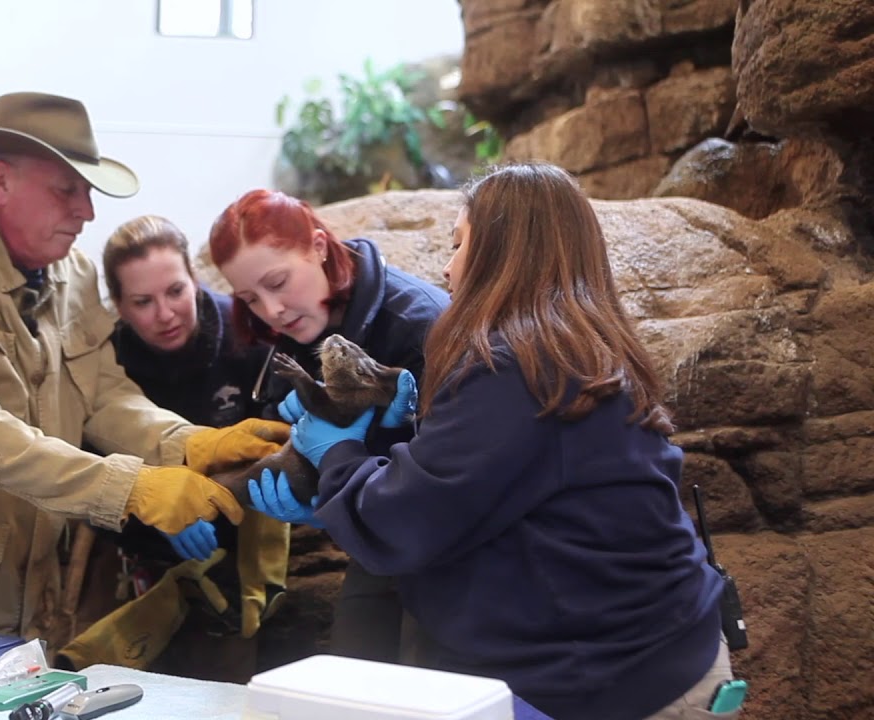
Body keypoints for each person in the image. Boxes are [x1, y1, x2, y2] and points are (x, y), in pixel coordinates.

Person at [253, 162, 736, 720]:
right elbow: (487, 492)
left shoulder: (516, 367)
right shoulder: (578, 349)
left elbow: (409, 517)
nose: (447, 266)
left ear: (505, 252)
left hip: (627, 682)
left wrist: (337, 456)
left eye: (459, 243)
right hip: (664, 654)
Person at [0, 91, 288, 651]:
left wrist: (189, 443)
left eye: (89, 191)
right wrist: (130, 487)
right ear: (1, 181)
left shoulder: (71, 271)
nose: (88, 211)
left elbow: (102, 394)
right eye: (67, 190)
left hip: (35, 577)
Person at [206, 188, 450, 664]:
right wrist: (318, 501)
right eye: (250, 298)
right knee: (351, 672)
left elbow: (449, 483)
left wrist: (345, 484)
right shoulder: (293, 330)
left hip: (448, 538)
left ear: (318, 247)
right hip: (373, 535)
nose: (271, 311)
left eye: (278, 282)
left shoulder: (419, 324)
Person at [99, 214, 287, 678]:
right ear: (118, 305)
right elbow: (91, 466)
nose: (165, 314)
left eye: (175, 291)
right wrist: (151, 515)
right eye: (143, 302)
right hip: (141, 561)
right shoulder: (106, 360)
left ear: (195, 278)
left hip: (247, 550)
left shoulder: (251, 337)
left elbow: (280, 446)